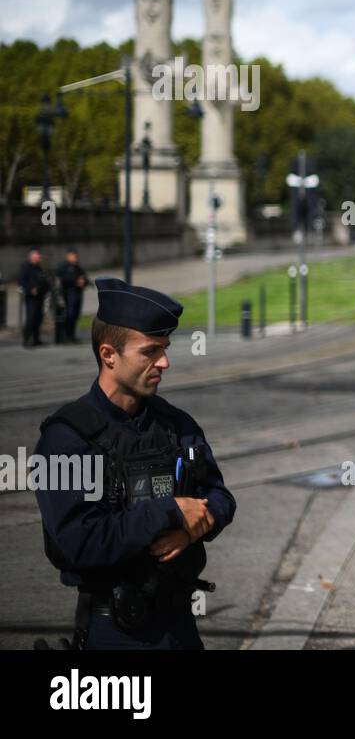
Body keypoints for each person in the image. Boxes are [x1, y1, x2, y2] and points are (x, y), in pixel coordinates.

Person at [33, 278, 236, 649]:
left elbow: (221, 498)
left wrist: (191, 530)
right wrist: (171, 512)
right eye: (150, 351)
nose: (164, 362)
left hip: (180, 626)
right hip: (115, 628)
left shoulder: (175, 424)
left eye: (165, 348)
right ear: (109, 354)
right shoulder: (67, 438)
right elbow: (79, 542)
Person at [18, 247, 50, 348]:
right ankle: (27, 339)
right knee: (30, 319)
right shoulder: (26, 267)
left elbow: (44, 280)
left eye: (39, 257)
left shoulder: (39, 268)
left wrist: (46, 288)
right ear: (31, 257)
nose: (39, 259)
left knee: (38, 319)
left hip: (40, 296)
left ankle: (36, 339)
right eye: (37, 257)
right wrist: (30, 290)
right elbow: (22, 282)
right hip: (31, 298)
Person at [57, 248, 88, 344]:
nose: (75, 258)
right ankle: (66, 335)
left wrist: (84, 282)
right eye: (73, 256)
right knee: (69, 315)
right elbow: (63, 280)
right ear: (68, 256)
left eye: (76, 256)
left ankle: (72, 335)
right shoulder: (64, 267)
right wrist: (76, 281)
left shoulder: (78, 267)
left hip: (78, 294)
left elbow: (84, 277)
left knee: (75, 315)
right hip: (69, 294)